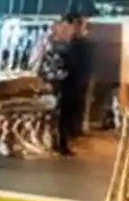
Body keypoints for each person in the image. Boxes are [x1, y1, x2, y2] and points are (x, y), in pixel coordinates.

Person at [34, 17, 74, 156]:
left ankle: (58, 142)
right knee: (57, 116)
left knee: (59, 116)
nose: (69, 32)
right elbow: (48, 69)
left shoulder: (59, 47)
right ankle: (56, 142)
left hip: (59, 85)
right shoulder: (54, 48)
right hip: (56, 85)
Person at [63, 12, 92, 140]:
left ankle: (74, 129)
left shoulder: (78, 42)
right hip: (73, 79)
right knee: (72, 106)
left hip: (78, 78)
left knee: (78, 105)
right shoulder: (74, 43)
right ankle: (71, 130)